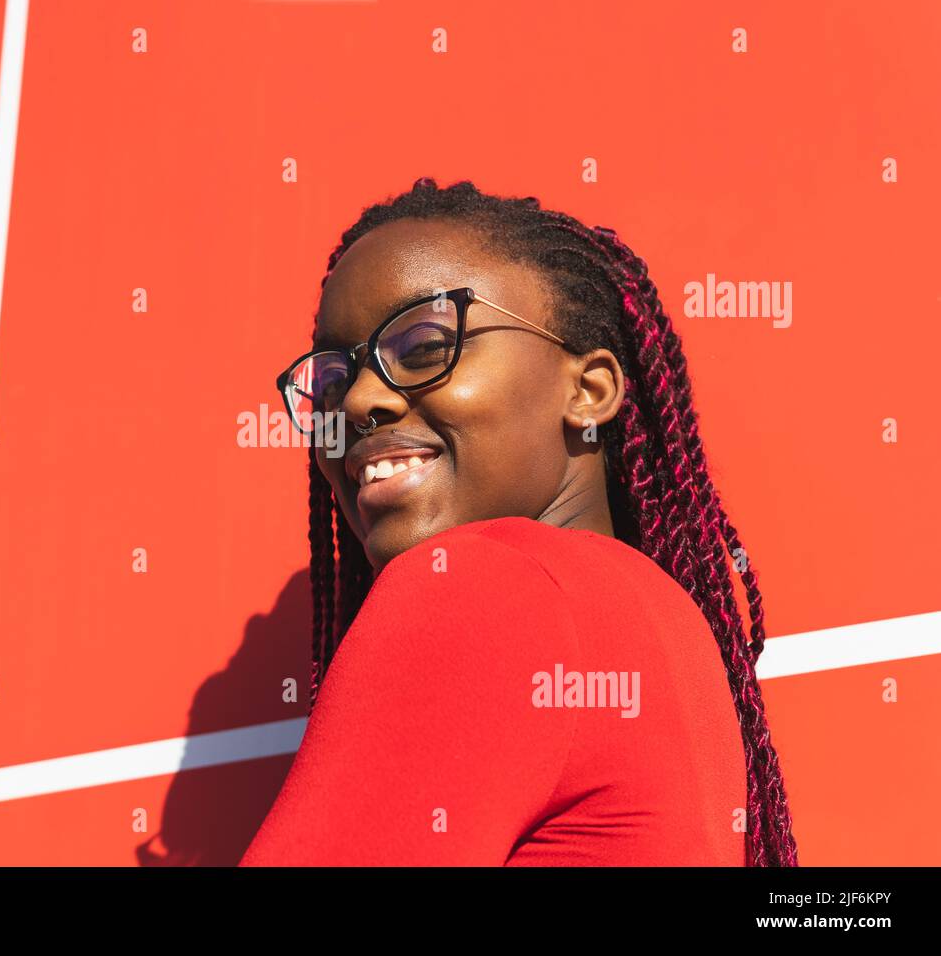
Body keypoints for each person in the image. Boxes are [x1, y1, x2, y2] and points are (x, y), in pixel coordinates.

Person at [241, 178, 798, 866]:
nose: (358, 400)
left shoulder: (484, 585)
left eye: (422, 346)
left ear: (587, 390)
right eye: (330, 380)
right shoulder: (660, 620)